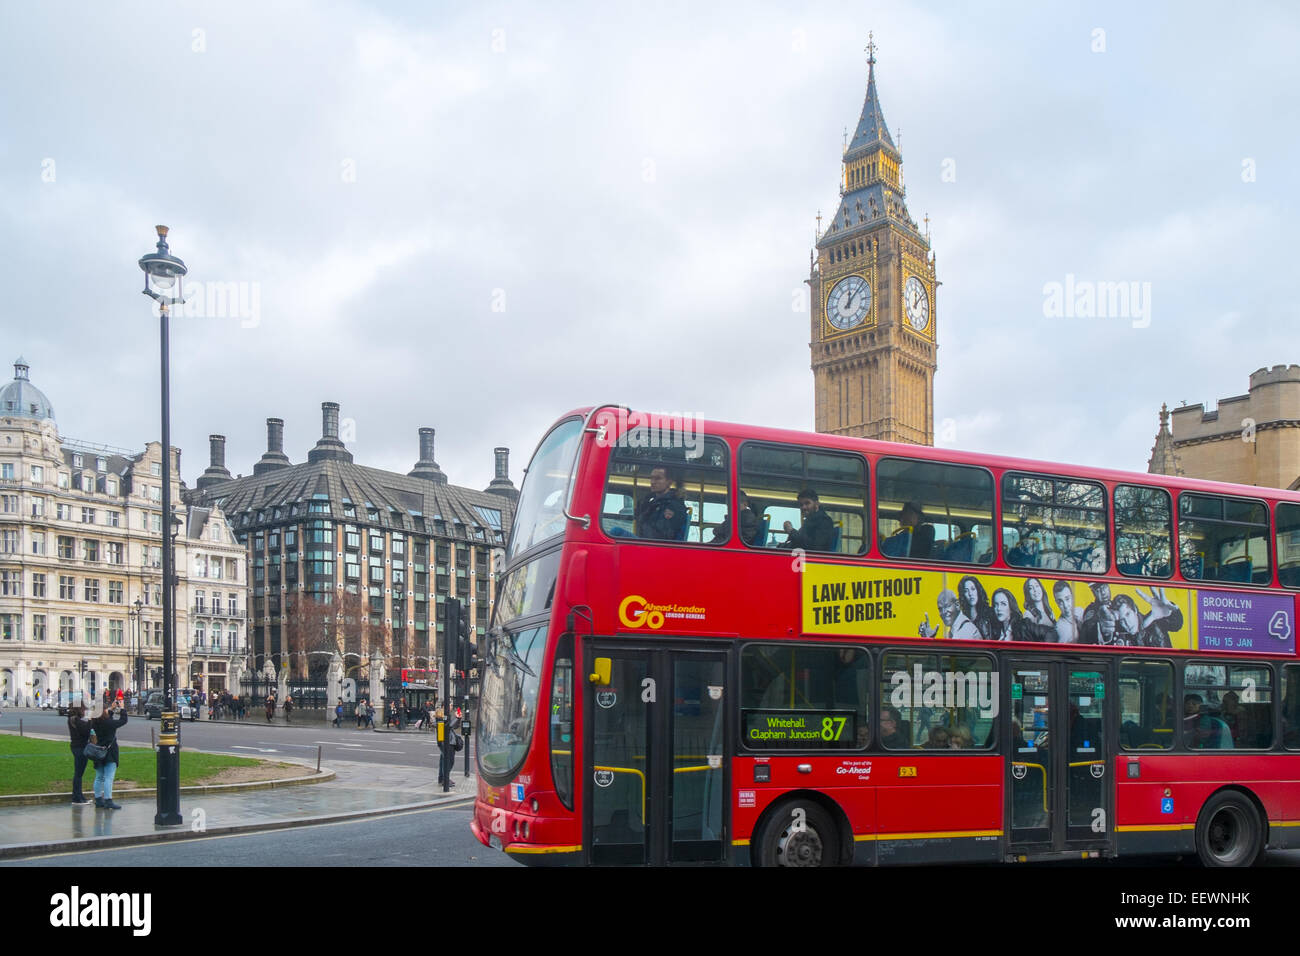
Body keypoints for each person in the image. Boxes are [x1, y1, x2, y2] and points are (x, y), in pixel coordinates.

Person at [89, 699, 128, 810]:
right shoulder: (108, 723)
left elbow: (107, 719)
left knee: (99, 777)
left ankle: (98, 799)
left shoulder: (94, 722)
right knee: (108, 778)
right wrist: (123, 709)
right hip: (109, 753)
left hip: (98, 752)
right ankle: (108, 800)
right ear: (104, 711)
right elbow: (123, 721)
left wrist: (111, 709)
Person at [1112, 589, 1182, 648]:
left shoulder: (1154, 620)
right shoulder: (1120, 637)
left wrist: (1171, 612)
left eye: (1128, 614)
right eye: (1122, 620)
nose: (1127, 623)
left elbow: (1176, 625)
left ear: (1135, 610)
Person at [634, 466, 688, 540]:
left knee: (617, 532)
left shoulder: (674, 506)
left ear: (669, 482)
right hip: (645, 542)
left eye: (658, 478)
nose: (652, 482)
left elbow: (663, 534)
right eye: (651, 478)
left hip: (655, 546)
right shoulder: (652, 502)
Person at [782, 488, 836, 552]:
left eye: (807, 503)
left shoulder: (824, 521)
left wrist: (792, 532)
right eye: (801, 505)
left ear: (816, 504)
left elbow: (815, 547)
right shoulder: (809, 521)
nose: (803, 507)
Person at [989, 588, 1055, 642]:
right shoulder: (994, 631)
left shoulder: (1024, 625)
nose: (998, 608)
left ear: (1011, 608)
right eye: (995, 605)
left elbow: (1051, 633)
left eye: (1003, 604)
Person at [66, 704, 92, 805]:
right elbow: (86, 731)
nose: (84, 711)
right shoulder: (75, 720)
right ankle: (77, 797)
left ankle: (79, 796)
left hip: (76, 746)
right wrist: (90, 720)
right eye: (83, 709)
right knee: (78, 773)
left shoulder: (72, 719)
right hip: (80, 747)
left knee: (79, 773)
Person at [957, 576, 996, 640]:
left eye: (973, 589)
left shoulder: (990, 613)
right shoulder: (962, 617)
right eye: (966, 591)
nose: (970, 594)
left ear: (978, 590)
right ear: (963, 595)